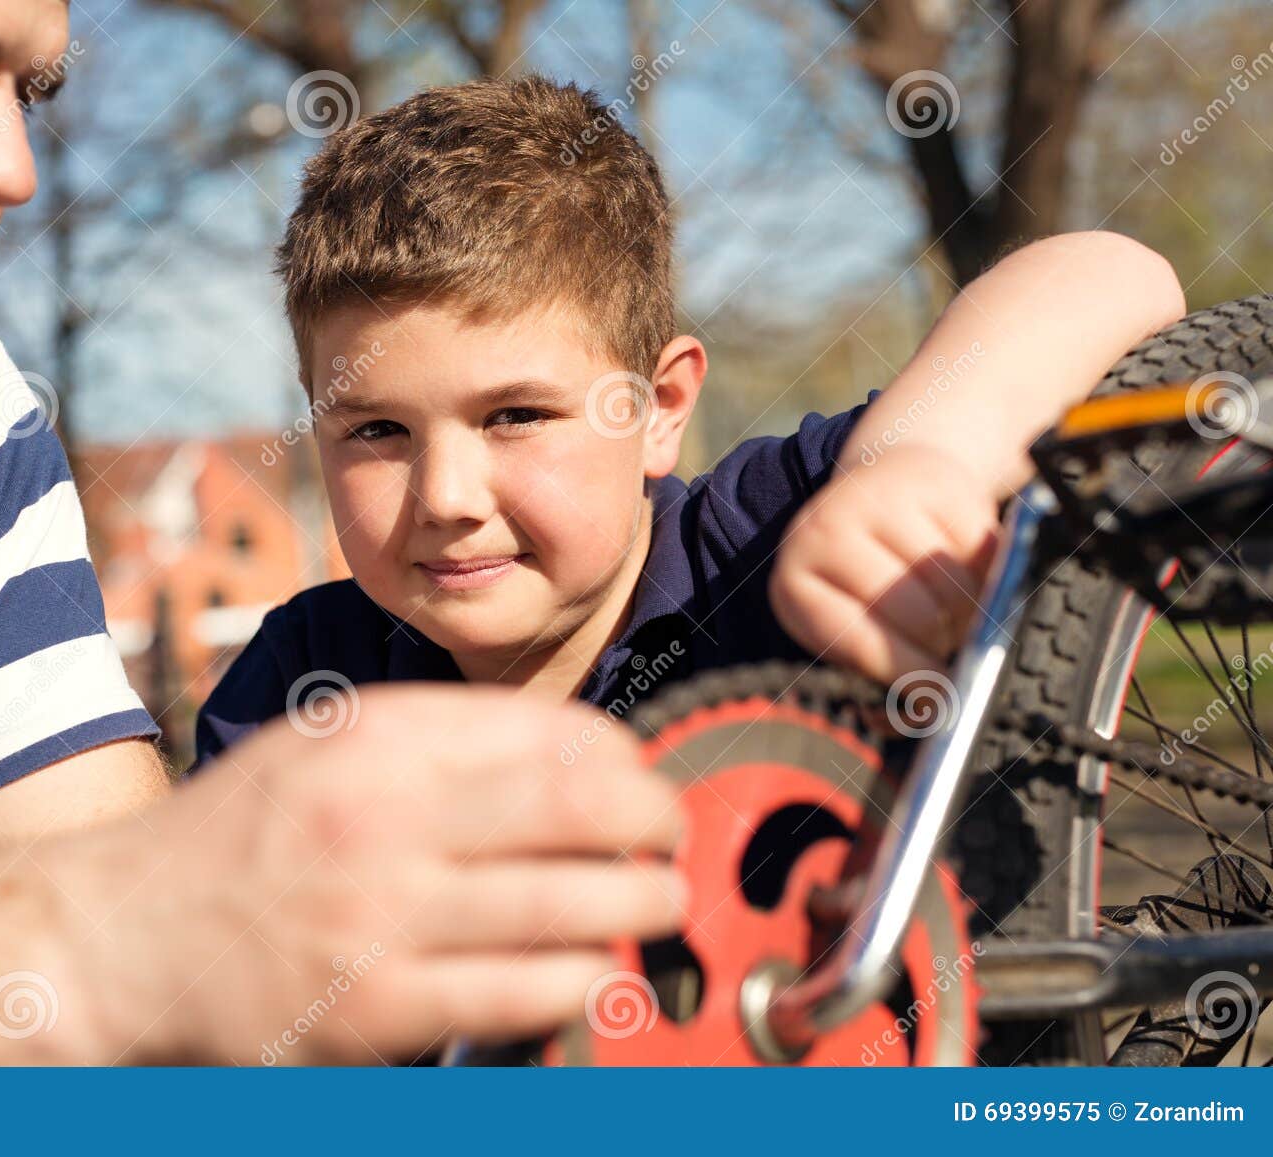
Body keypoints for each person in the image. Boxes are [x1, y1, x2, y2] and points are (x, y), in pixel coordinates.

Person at [0, 2, 684, 1064]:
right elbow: (136, 952)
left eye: (28, 94)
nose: (12, 170)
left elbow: (154, 1036)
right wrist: (92, 953)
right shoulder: (300, 668)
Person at [194, 76, 1188, 763]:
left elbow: (1109, 275)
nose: (446, 498)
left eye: (516, 415)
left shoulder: (769, 540)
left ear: (660, 407)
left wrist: (923, 462)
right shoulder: (298, 686)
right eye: (376, 432)